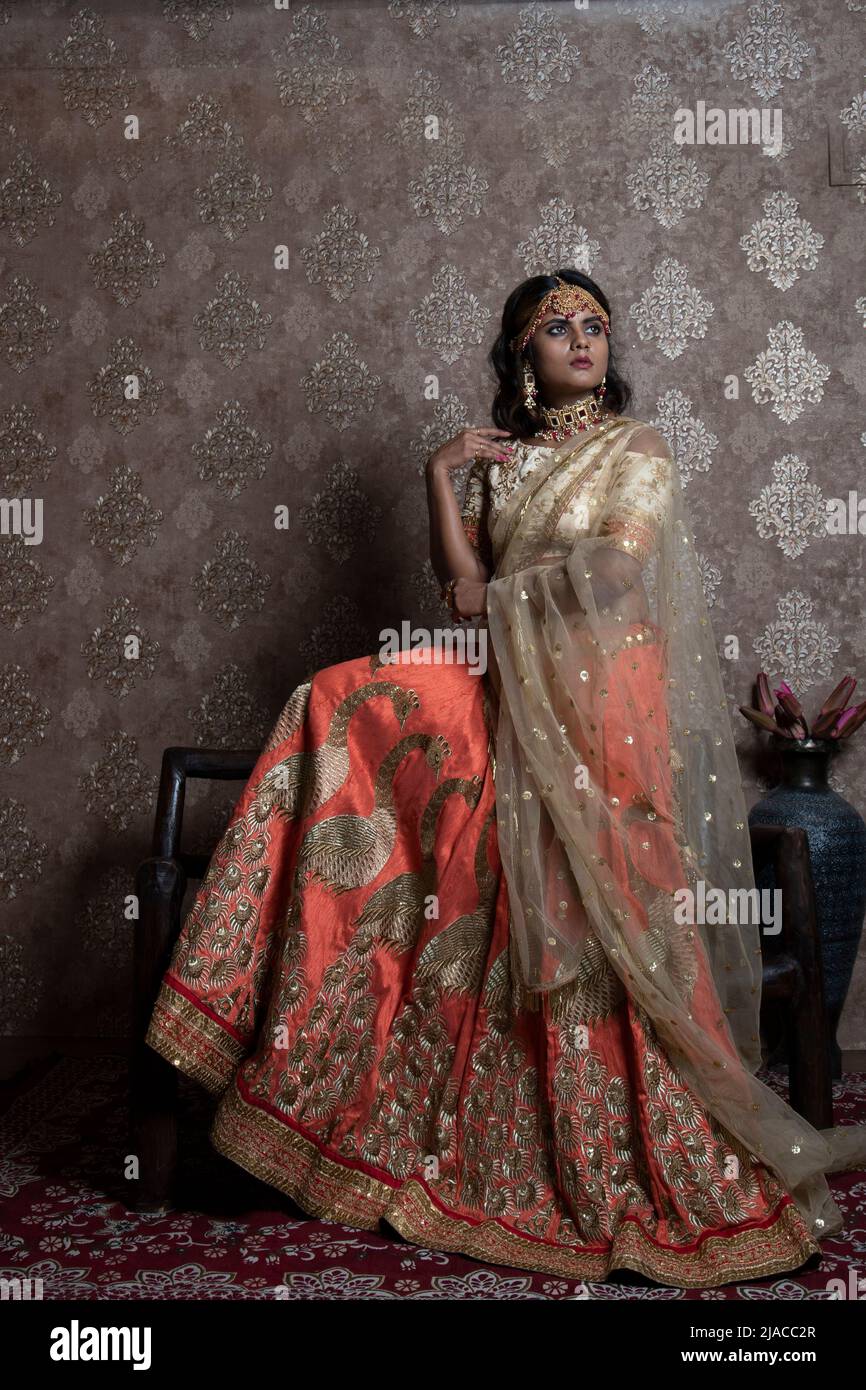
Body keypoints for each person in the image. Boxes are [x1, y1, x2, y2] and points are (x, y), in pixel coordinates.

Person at [145, 268, 866, 1288]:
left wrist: (501, 599)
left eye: (595, 327)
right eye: (555, 327)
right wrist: (437, 476)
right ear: (519, 356)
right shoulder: (499, 462)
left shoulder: (635, 449)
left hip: (594, 703)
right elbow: (457, 598)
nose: (581, 340)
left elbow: (613, 576)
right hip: (495, 685)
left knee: (516, 829)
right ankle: (279, 1018)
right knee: (332, 699)